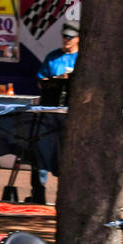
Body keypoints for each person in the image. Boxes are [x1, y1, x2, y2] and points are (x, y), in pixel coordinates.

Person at [31, 20, 80, 203]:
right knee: (41, 150)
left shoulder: (83, 58)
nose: (66, 40)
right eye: (64, 36)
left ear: (78, 39)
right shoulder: (52, 56)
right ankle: (38, 194)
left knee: (67, 155)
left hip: (71, 115)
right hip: (49, 110)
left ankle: (68, 196)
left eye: (70, 37)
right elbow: (40, 79)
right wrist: (54, 79)